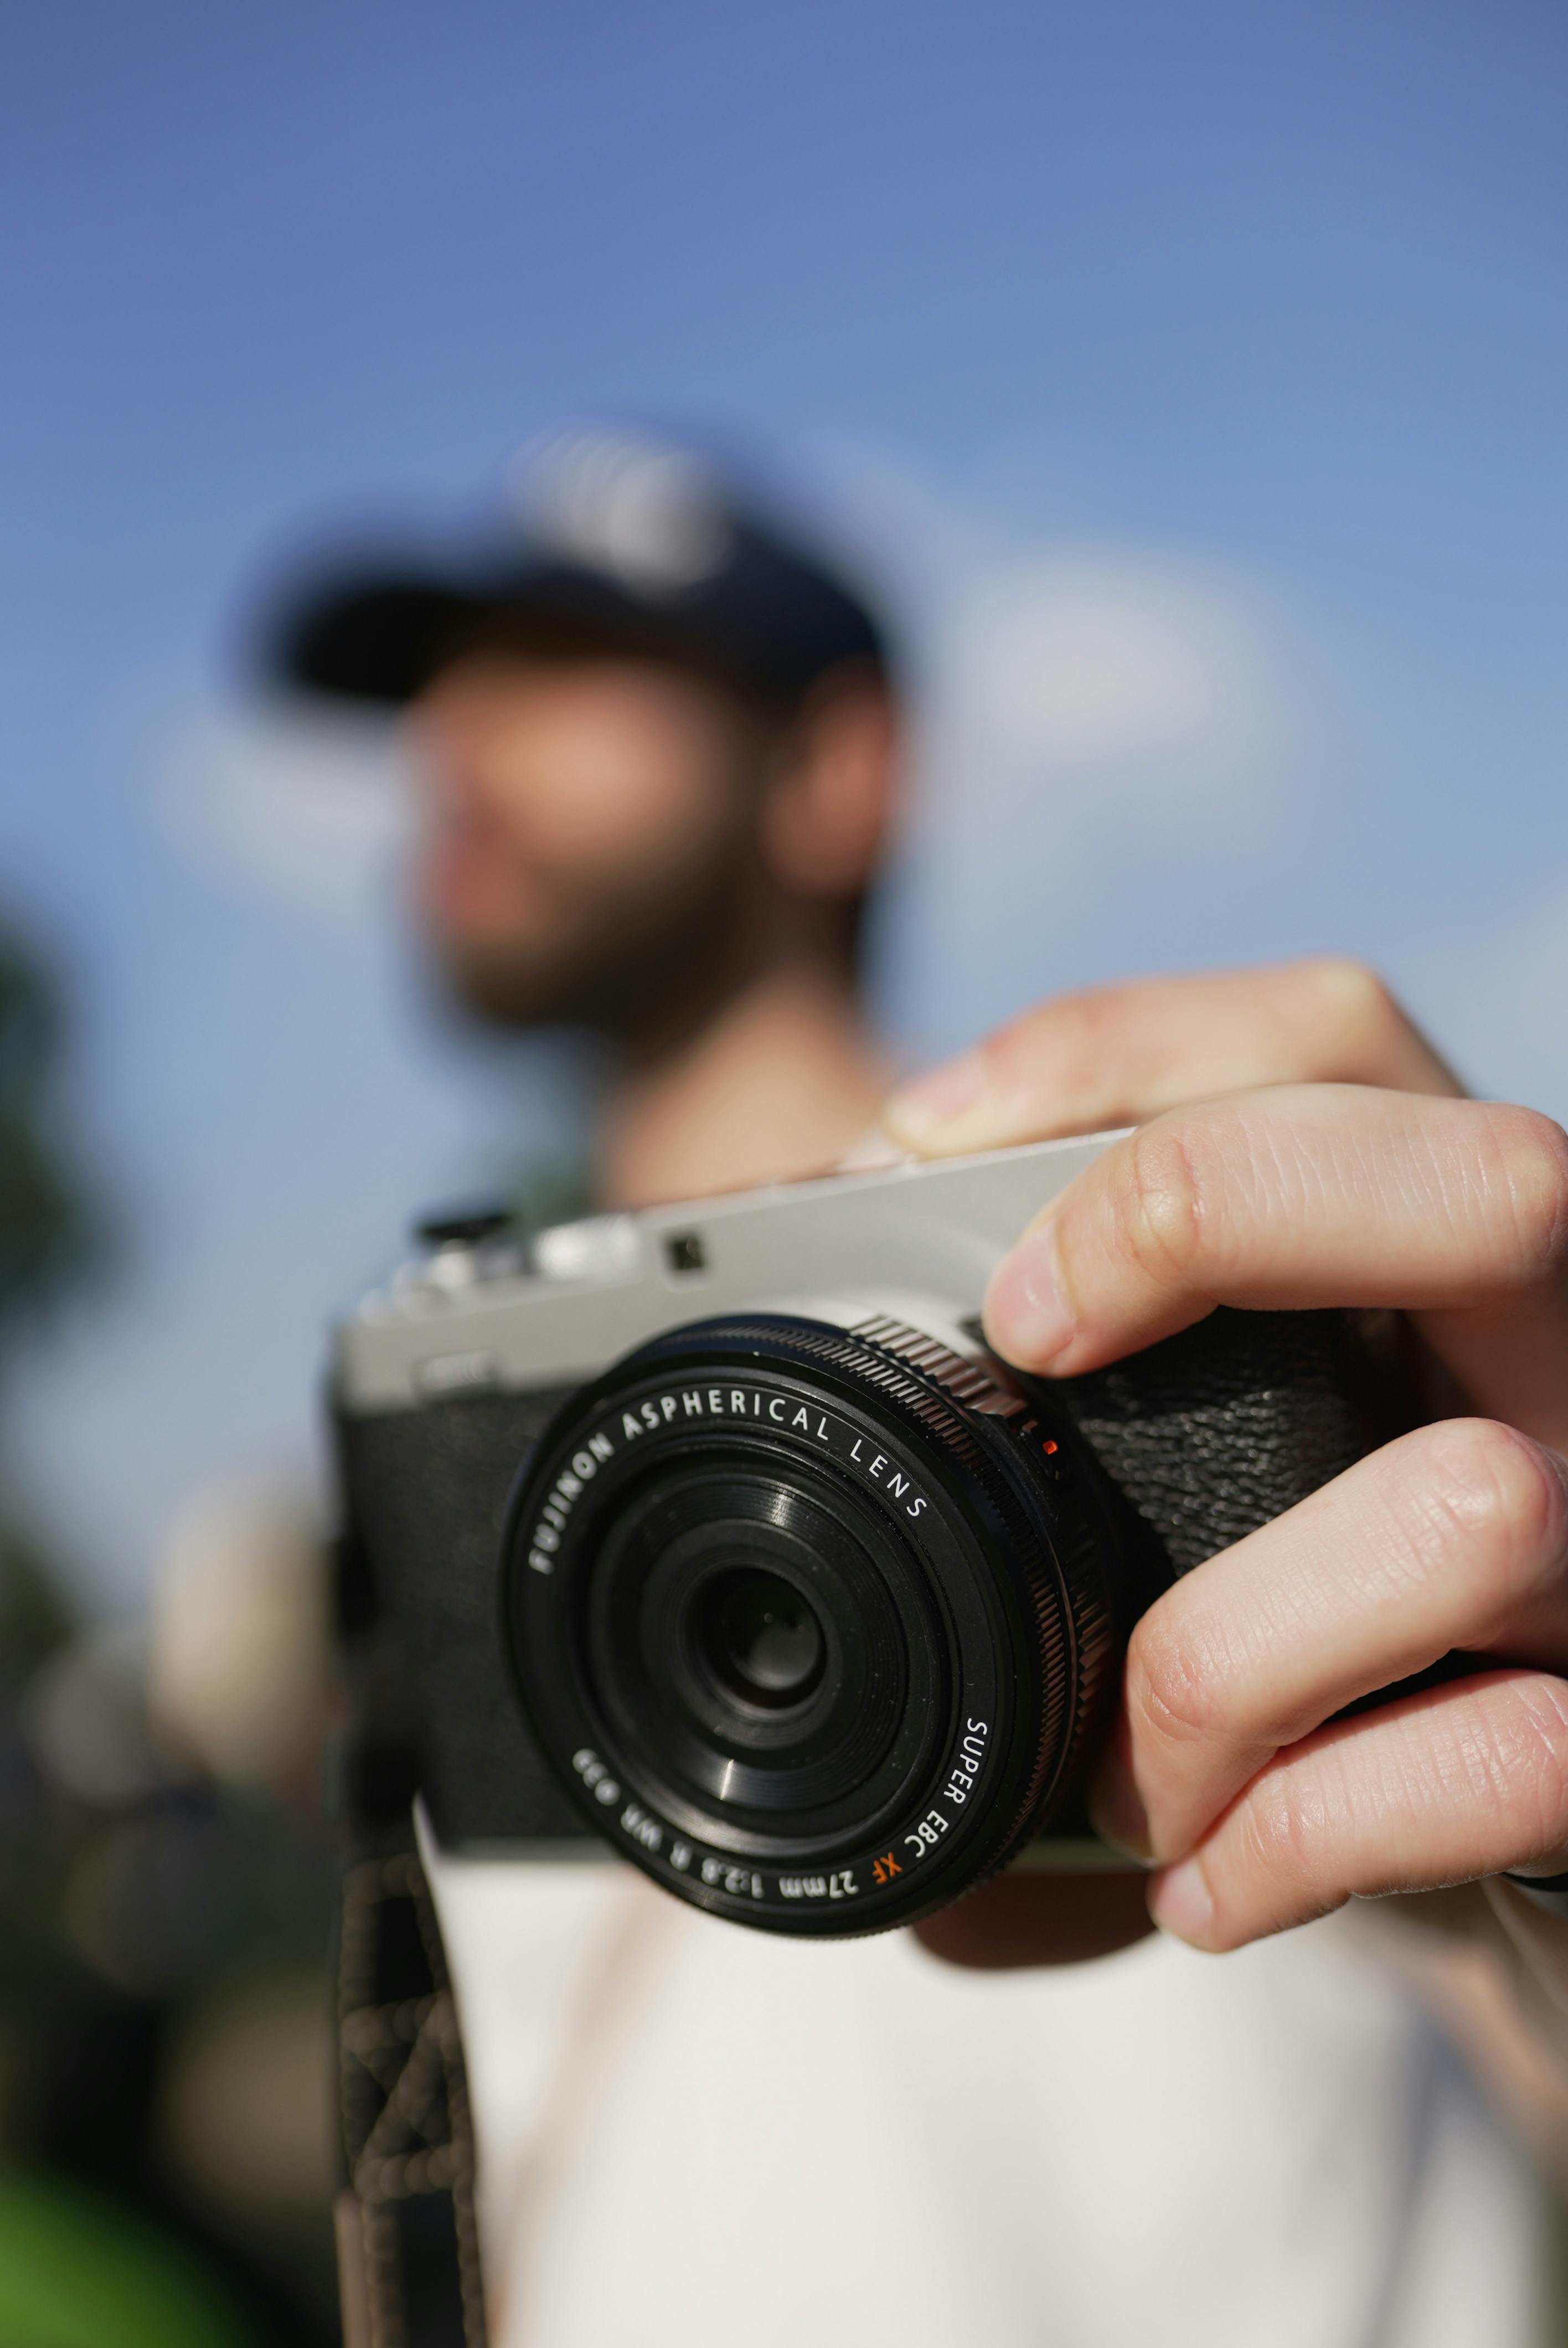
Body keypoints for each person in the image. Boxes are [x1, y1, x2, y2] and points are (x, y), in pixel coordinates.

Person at [268, 436, 1566, 2347]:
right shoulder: (507, 1434)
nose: (459, 743)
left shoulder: (1214, 1270)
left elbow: (1505, 2039)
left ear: (836, 765)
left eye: (566, 669)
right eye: (439, 691)